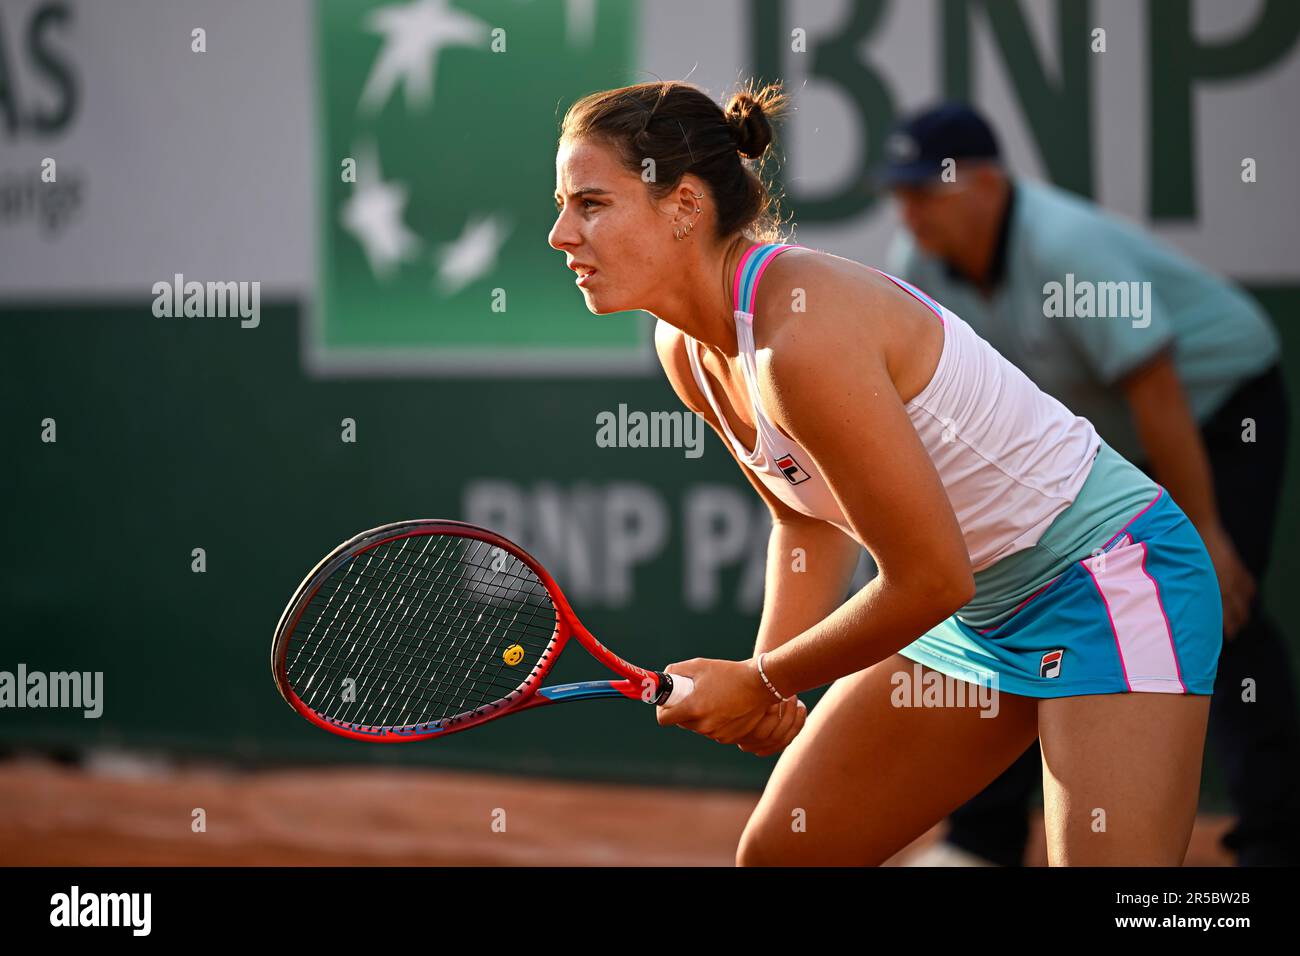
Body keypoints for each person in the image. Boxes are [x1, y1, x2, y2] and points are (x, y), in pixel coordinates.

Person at [549, 79, 1221, 866]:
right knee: (785, 856)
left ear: (684, 205)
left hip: (1108, 581)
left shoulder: (798, 341)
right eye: (563, 204)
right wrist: (775, 678)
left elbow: (931, 578)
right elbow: (803, 519)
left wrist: (761, 679)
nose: (561, 234)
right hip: (973, 618)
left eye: (590, 203)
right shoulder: (687, 350)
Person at [881, 102, 1299, 867]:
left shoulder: (1066, 249)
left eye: (924, 193)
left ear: (986, 185)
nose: (909, 213)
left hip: (1211, 409)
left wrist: (1205, 530)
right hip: (1090, 445)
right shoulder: (917, 262)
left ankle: (1275, 845)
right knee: (1004, 610)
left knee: (1218, 605)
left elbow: (1157, 391)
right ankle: (981, 843)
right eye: (899, 194)